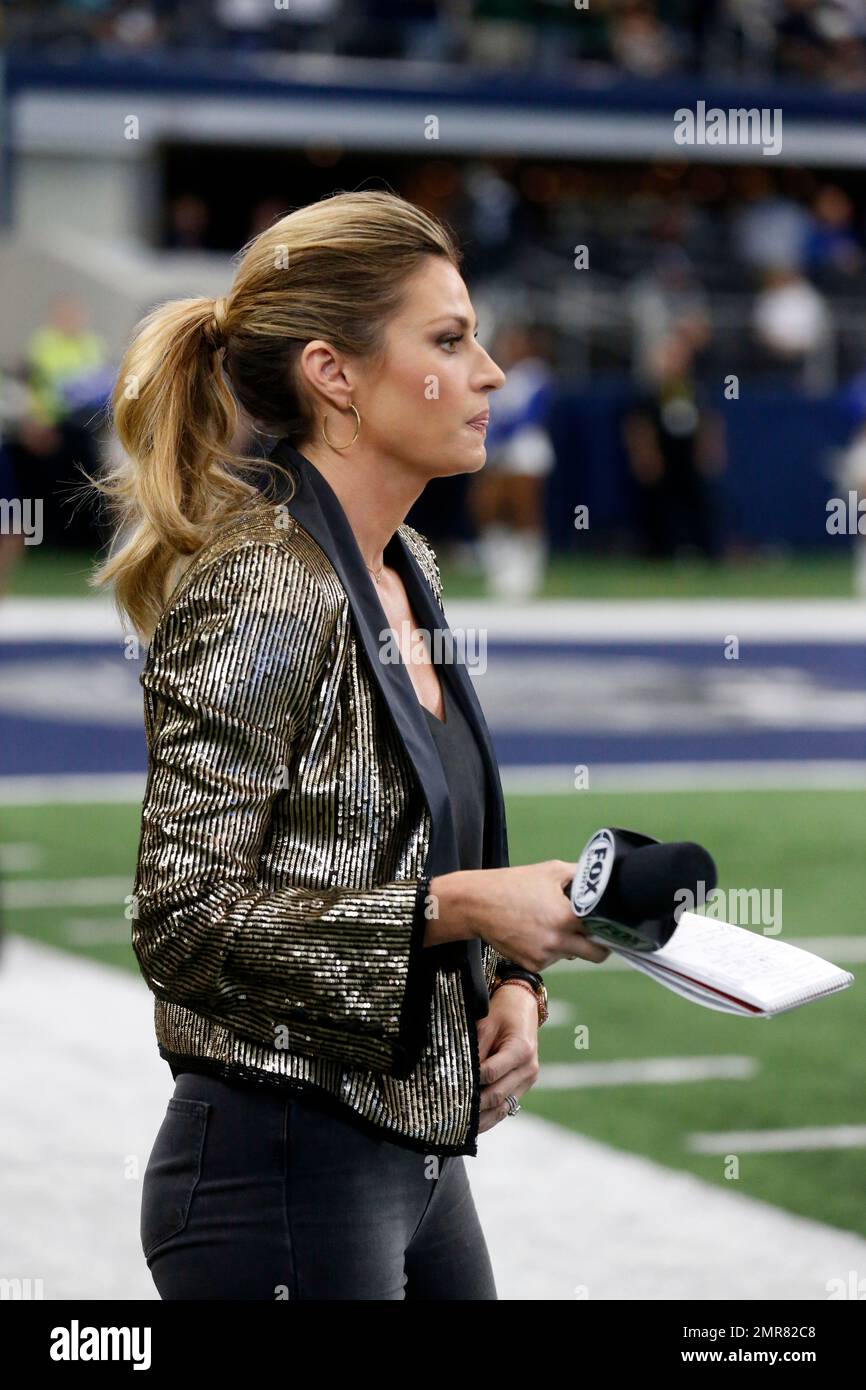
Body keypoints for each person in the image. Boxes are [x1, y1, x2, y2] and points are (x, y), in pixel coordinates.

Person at [89, 190, 608, 1301]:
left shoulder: (400, 560)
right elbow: (180, 923)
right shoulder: (266, 587)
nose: (490, 374)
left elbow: (397, 850)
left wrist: (510, 980)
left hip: (414, 1166)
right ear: (335, 375)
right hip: (273, 1172)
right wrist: (462, 909)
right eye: (449, 340)